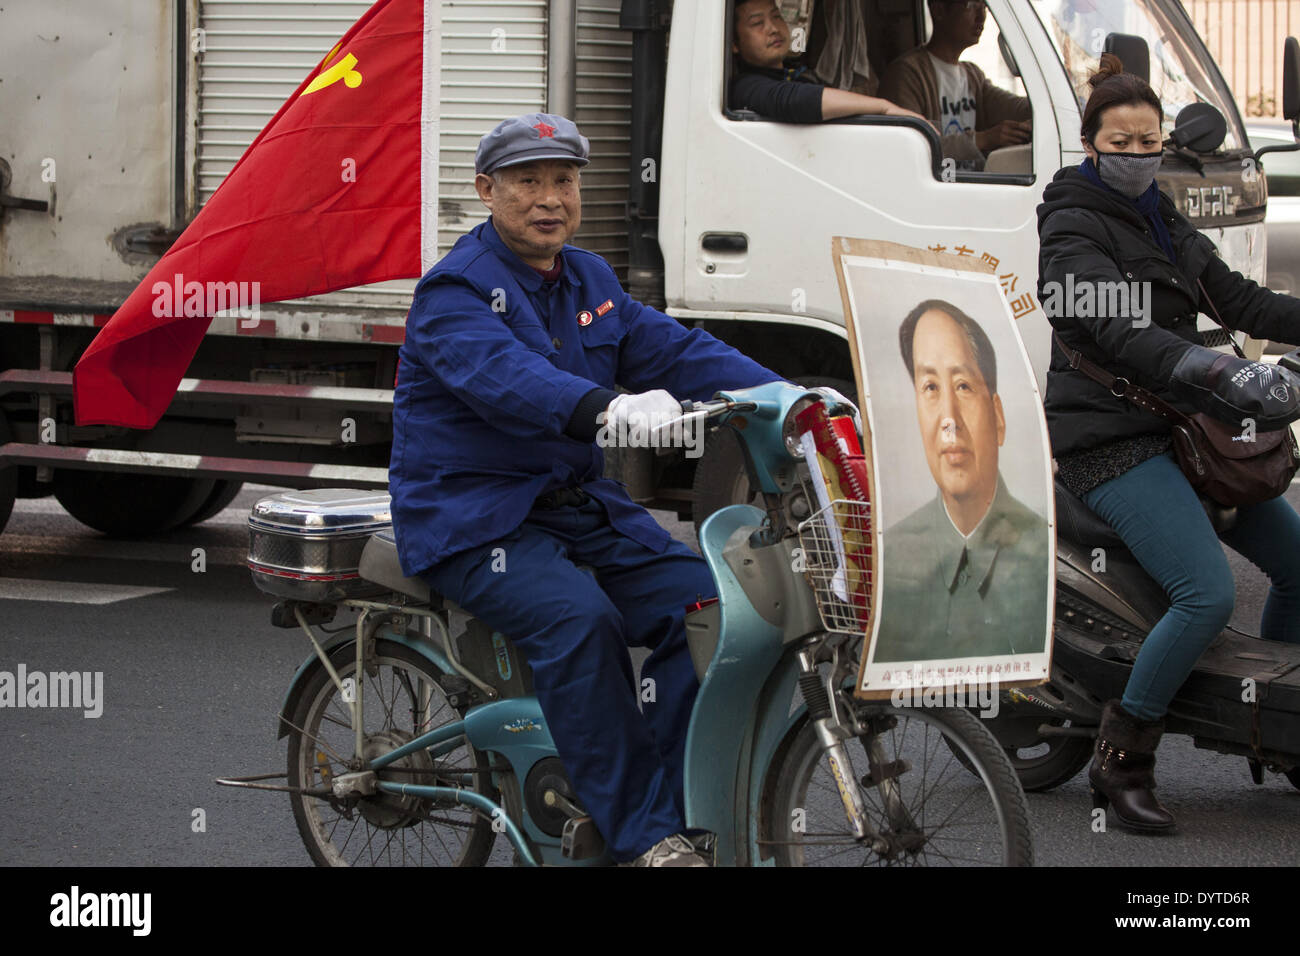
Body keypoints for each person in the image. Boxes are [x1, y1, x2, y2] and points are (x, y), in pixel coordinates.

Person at [389, 112, 842, 866]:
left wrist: (790, 394)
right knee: (581, 622)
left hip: (573, 508)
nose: (549, 198)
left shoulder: (589, 278)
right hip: (475, 520)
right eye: (527, 181)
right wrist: (611, 407)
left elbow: (673, 347)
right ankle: (643, 838)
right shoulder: (455, 293)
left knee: (713, 607)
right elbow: (511, 381)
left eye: (563, 180)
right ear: (485, 191)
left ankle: (660, 802)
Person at [1038, 53, 1300, 832]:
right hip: (1111, 440)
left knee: (1298, 563)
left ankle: (1272, 722)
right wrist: (1209, 368)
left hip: (1188, 431)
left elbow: (1240, 298)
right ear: (1091, 145)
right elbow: (1114, 325)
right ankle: (1122, 759)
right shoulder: (1070, 222)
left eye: (1148, 142)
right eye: (1121, 143)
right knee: (1207, 594)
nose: (1136, 155)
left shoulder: (1161, 212)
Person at [872, 299, 1050, 663]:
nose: (948, 419)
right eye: (931, 388)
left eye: (964, 386)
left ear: (998, 417)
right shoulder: (891, 559)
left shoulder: (1044, 553)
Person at [877, 0, 1030, 169]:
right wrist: (984, 139)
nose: (981, 17)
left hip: (973, 184)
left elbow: (1016, 108)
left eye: (984, 7)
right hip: (938, 188)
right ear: (939, 9)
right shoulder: (907, 74)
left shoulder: (972, 75)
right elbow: (911, 146)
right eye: (971, 5)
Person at [729, 0, 925, 124]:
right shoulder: (744, 87)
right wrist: (883, 107)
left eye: (776, 16)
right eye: (757, 23)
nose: (772, 28)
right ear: (734, 44)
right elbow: (796, 100)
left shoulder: (796, 76)